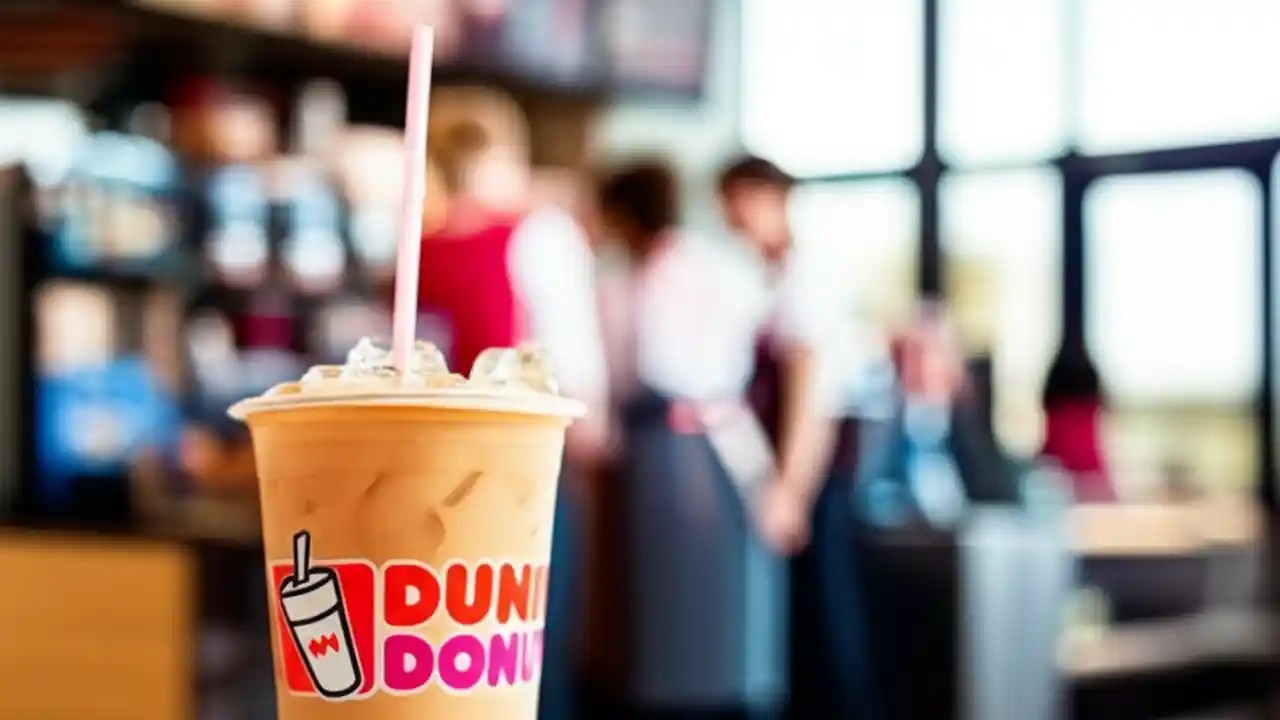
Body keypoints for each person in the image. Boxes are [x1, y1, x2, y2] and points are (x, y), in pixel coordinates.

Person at [413, 87, 609, 720]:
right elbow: (576, 366)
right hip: (521, 474)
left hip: (421, 477)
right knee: (519, 655)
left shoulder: (416, 249)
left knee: (442, 659)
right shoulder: (541, 234)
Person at [596, 160, 784, 720]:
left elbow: (656, 367)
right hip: (725, 438)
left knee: (676, 612)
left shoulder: (658, 274)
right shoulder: (717, 264)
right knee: (718, 611)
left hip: (672, 446)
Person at [717, 156, 880, 719]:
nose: (730, 218)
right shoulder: (765, 278)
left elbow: (811, 398)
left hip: (816, 474)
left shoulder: (807, 279)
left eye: (736, 201)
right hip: (796, 471)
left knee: (824, 622)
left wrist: (790, 490)